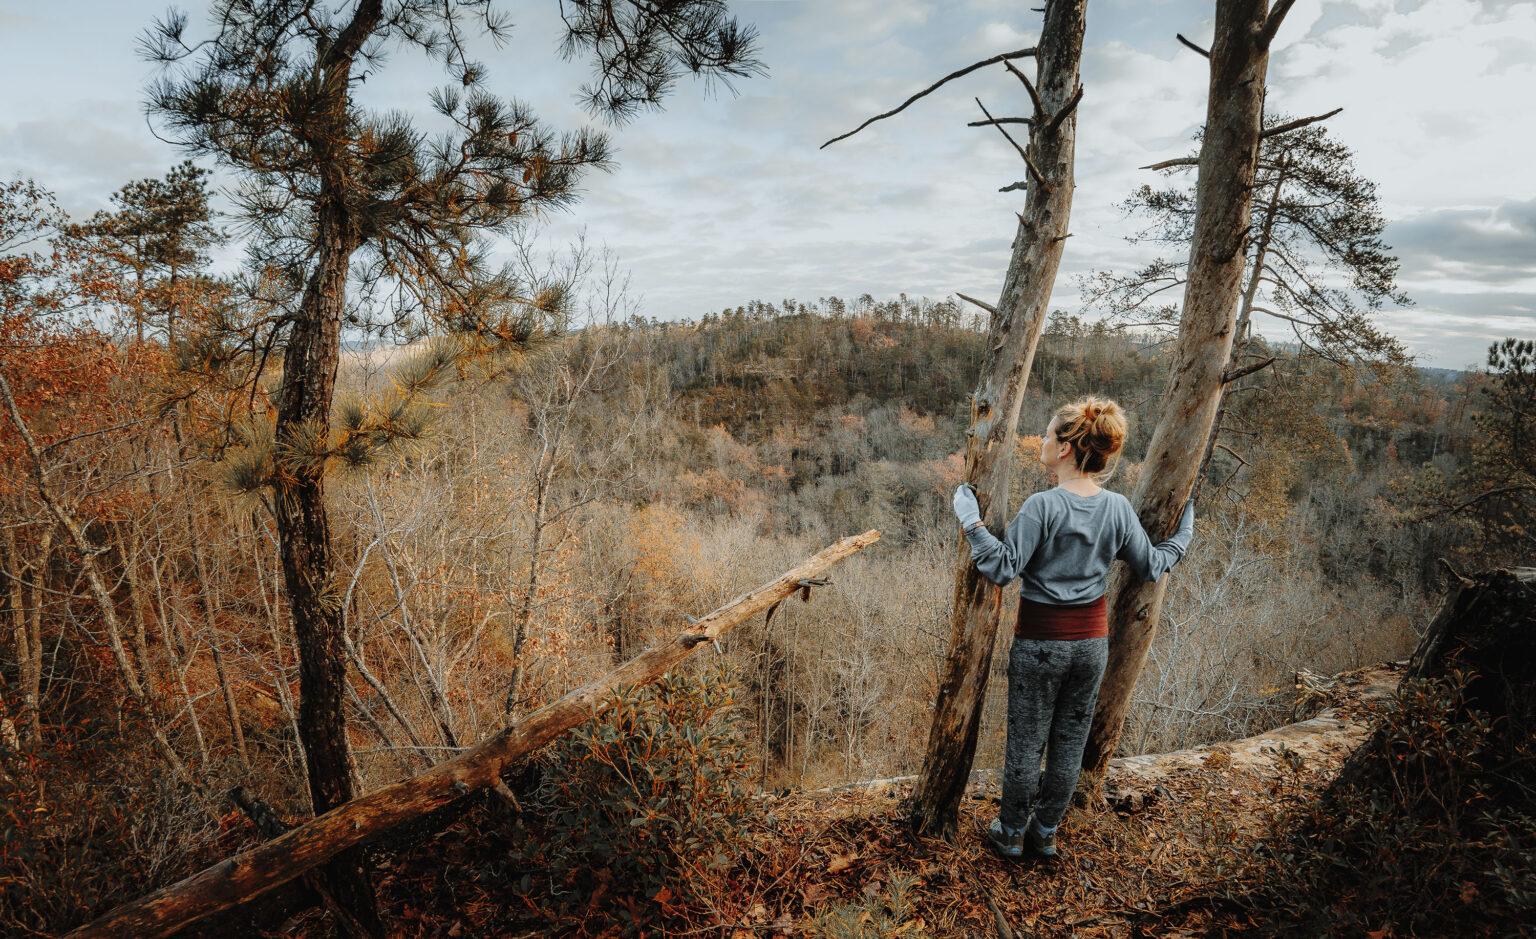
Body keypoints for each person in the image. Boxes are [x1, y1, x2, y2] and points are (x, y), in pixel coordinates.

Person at [951, 395, 1195, 860]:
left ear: (1065, 448)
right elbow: (1151, 566)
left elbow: (1003, 568)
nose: (1041, 442)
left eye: (1047, 435)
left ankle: (1010, 833)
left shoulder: (1043, 507)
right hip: (1091, 645)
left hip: (1041, 642)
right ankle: (1044, 833)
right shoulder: (1118, 508)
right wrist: (1183, 534)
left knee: (1026, 740)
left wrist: (969, 520)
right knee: (1069, 741)